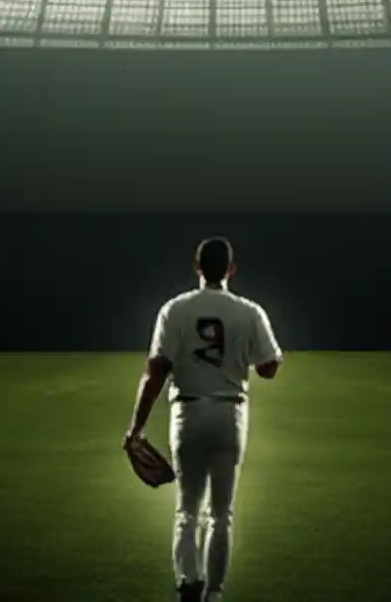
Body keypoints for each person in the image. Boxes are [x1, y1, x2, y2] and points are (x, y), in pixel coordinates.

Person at [123, 236, 284, 602]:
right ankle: (214, 594)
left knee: (187, 507)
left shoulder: (174, 310)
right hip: (230, 414)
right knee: (222, 512)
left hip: (188, 413)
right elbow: (269, 368)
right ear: (231, 269)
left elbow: (155, 372)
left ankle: (187, 583)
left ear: (196, 267)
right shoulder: (249, 311)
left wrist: (136, 428)